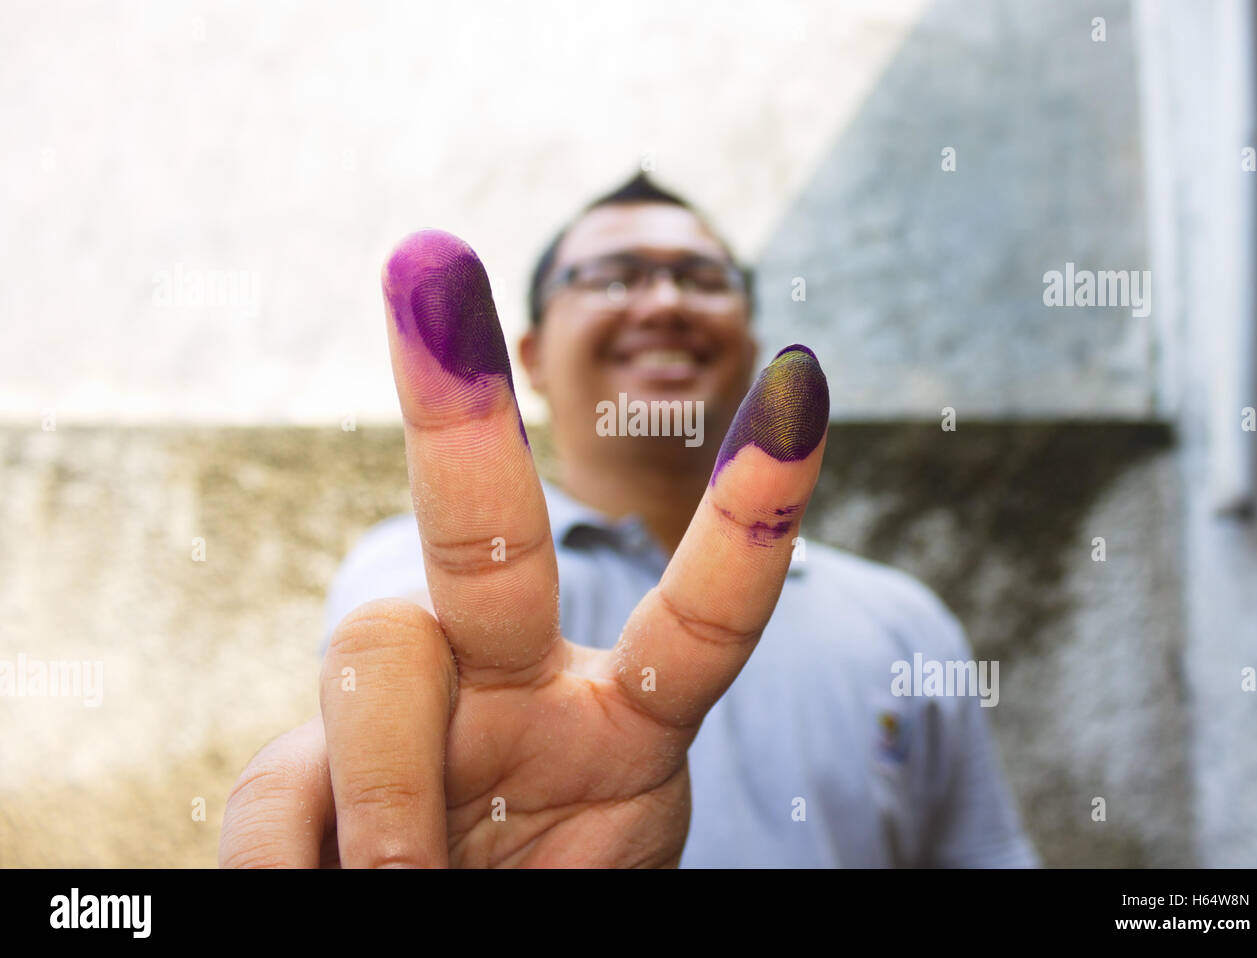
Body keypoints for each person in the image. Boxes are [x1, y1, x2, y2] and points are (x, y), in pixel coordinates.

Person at [218, 172, 1038, 868]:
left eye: (704, 279)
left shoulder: (900, 622)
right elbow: (363, 740)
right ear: (532, 354)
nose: (665, 301)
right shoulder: (421, 581)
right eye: (613, 277)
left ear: (750, 342)